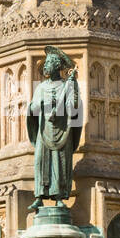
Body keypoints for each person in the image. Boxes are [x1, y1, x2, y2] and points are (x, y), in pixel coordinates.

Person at [26, 46, 82, 211]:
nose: (45, 66)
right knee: (40, 161)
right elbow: (33, 107)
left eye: (49, 63)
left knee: (60, 163)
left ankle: (59, 197)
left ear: (57, 66)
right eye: (45, 63)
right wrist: (41, 105)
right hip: (44, 131)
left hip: (62, 131)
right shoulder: (41, 88)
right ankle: (39, 196)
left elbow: (73, 108)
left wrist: (71, 91)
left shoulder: (68, 84)